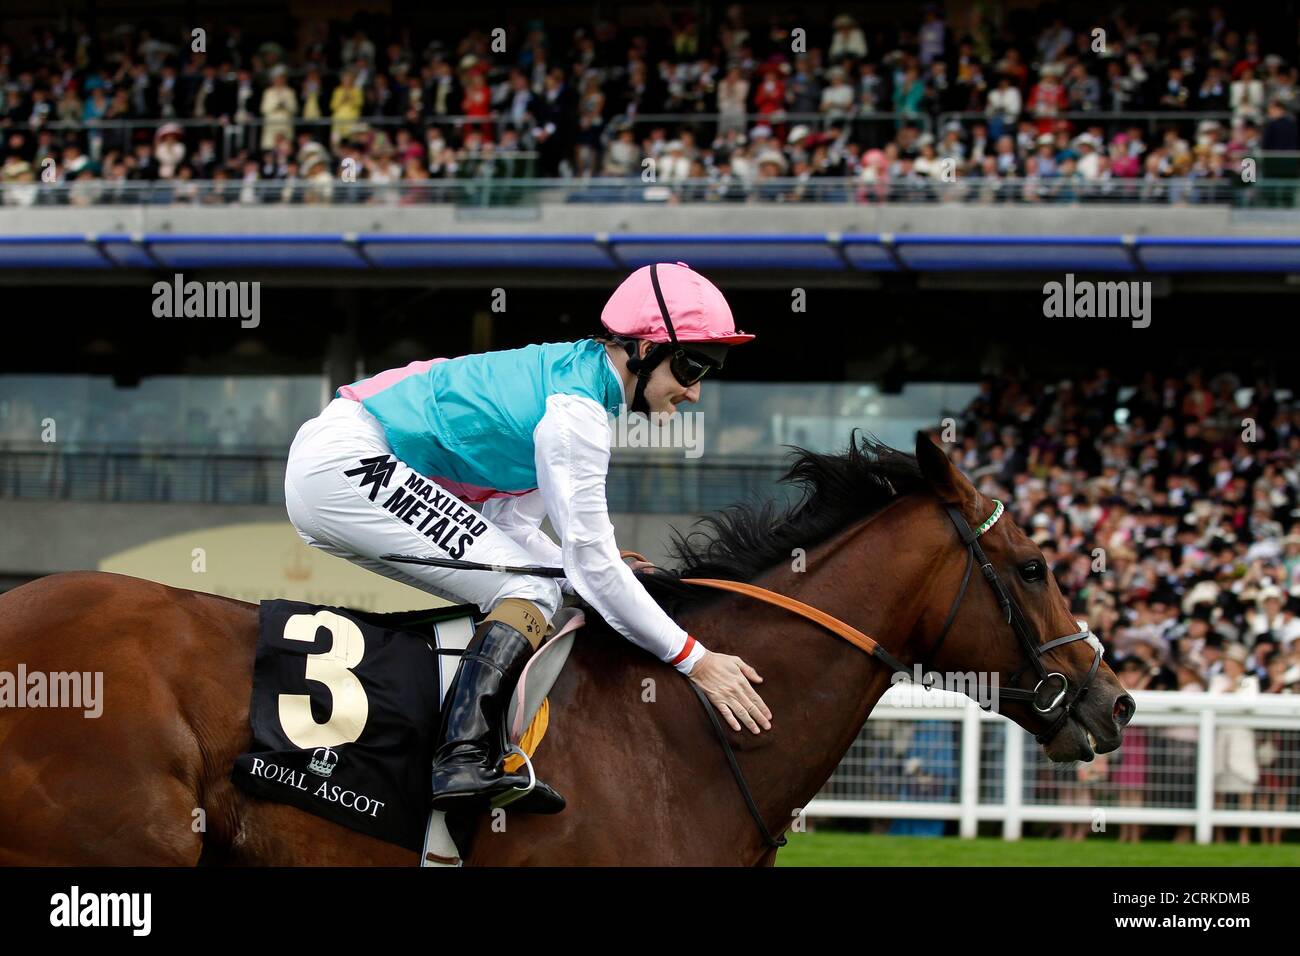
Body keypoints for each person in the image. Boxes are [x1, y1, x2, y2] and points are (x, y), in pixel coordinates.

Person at [284, 262, 772, 814]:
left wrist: (611, 580)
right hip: (348, 461)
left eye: (711, 369)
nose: (695, 392)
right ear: (642, 348)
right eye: (690, 366)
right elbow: (590, 565)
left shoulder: (575, 383)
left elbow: (517, 530)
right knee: (530, 590)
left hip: (342, 460)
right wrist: (696, 660)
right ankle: (461, 758)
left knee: (537, 584)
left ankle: (463, 748)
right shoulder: (576, 414)